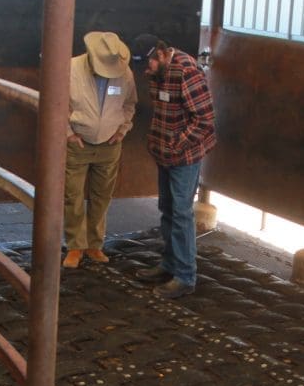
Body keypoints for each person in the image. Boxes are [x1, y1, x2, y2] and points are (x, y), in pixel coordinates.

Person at [129, 33, 217, 299]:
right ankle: (169, 265)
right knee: (167, 209)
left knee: (181, 213)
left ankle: (185, 276)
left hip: (184, 157)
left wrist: (176, 144)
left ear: (161, 53)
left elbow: (204, 120)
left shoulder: (187, 72)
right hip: (165, 153)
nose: (146, 71)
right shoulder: (158, 72)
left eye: (149, 64)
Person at [63, 31, 137, 268]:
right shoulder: (70, 69)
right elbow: (57, 103)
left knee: (102, 196)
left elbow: (129, 103)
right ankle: (75, 245)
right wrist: (69, 134)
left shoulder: (124, 73)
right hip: (78, 141)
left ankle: (95, 244)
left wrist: (123, 129)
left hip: (110, 143)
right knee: (72, 195)